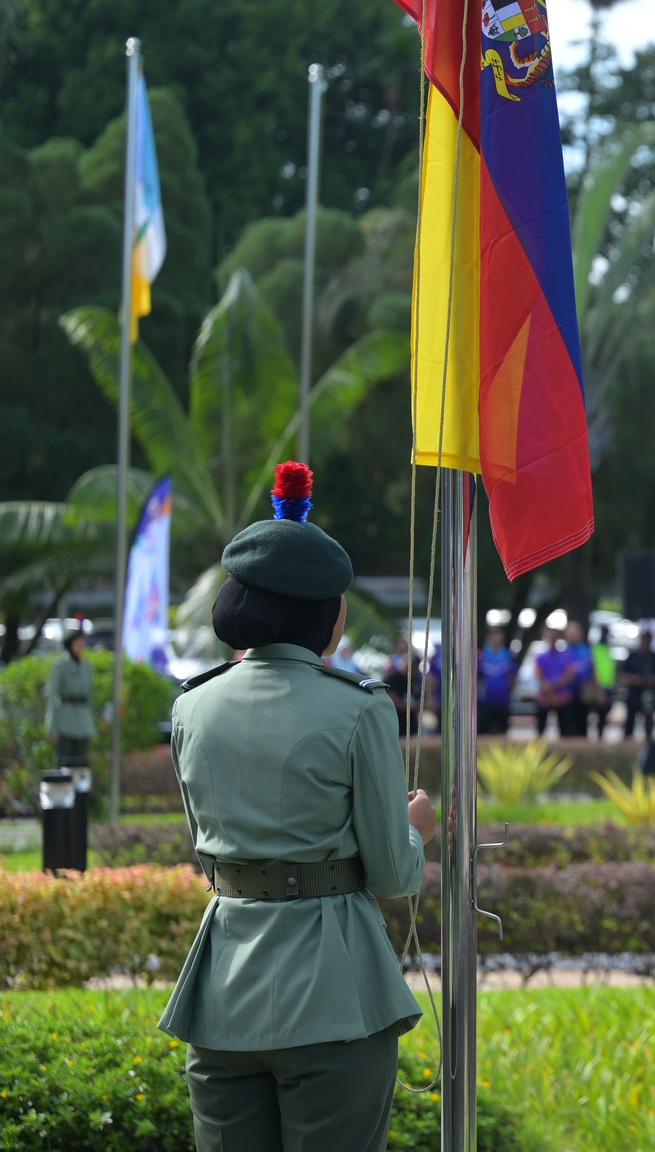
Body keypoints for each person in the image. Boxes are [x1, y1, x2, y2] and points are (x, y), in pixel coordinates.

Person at [159, 461, 435, 1152]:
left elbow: (208, 847)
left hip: (223, 989)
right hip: (331, 991)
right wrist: (415, 829)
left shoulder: (192, 704)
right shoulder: (359, 708)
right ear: (326, 610)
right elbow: (394, 874)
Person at [43, 630, 97, 766]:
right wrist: (52, 728)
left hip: (83, 721)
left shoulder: (86, 667)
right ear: (70, 644)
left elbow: (89, 698)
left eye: (82, 641)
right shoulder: (61, 666)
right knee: (64, 764)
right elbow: (52, 698)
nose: (81, 644)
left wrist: (91, 727)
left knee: (81, 766)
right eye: (77, 641)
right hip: (65, 722)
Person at [615, 627, 655, 743]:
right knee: (630, 720)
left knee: (649, 720)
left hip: (650, 692)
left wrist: (652, 680)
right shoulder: (633, 657)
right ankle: (627, 742)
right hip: (634, 693)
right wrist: (635, 679)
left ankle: (649, 743)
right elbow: (622, 674)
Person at [531, 626, 576, 739]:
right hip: (545, 696)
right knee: (540, 728)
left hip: (562, 696)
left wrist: (554, 685)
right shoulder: (541, 657)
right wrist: (545, 685)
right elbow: (537, 674)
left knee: (565, 729)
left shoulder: (566, 655)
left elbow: (570, 673)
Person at [561, 620, 597, 741]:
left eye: (576, 632)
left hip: (583, 693)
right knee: (567, 726)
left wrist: (596, 689)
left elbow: (592, 670)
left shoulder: (586, 650)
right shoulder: (563, 652)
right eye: (571, 632)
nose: (573, 635)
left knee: (582, 724)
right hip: (566, 693)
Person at [588, 623, 618, 739]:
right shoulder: (595, 649)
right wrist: (598, 687)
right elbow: (594, 668)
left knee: (604, 713)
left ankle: (600, 736)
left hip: (608, 686)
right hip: (597, 687)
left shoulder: (609, 649)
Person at [383, 641, 420, 737]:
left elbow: (421, 699)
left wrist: (413, 707)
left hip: (411, 722)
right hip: (394, 720)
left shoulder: (416, 679)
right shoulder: (392, 678)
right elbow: (389, 696)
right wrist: (405, 706)